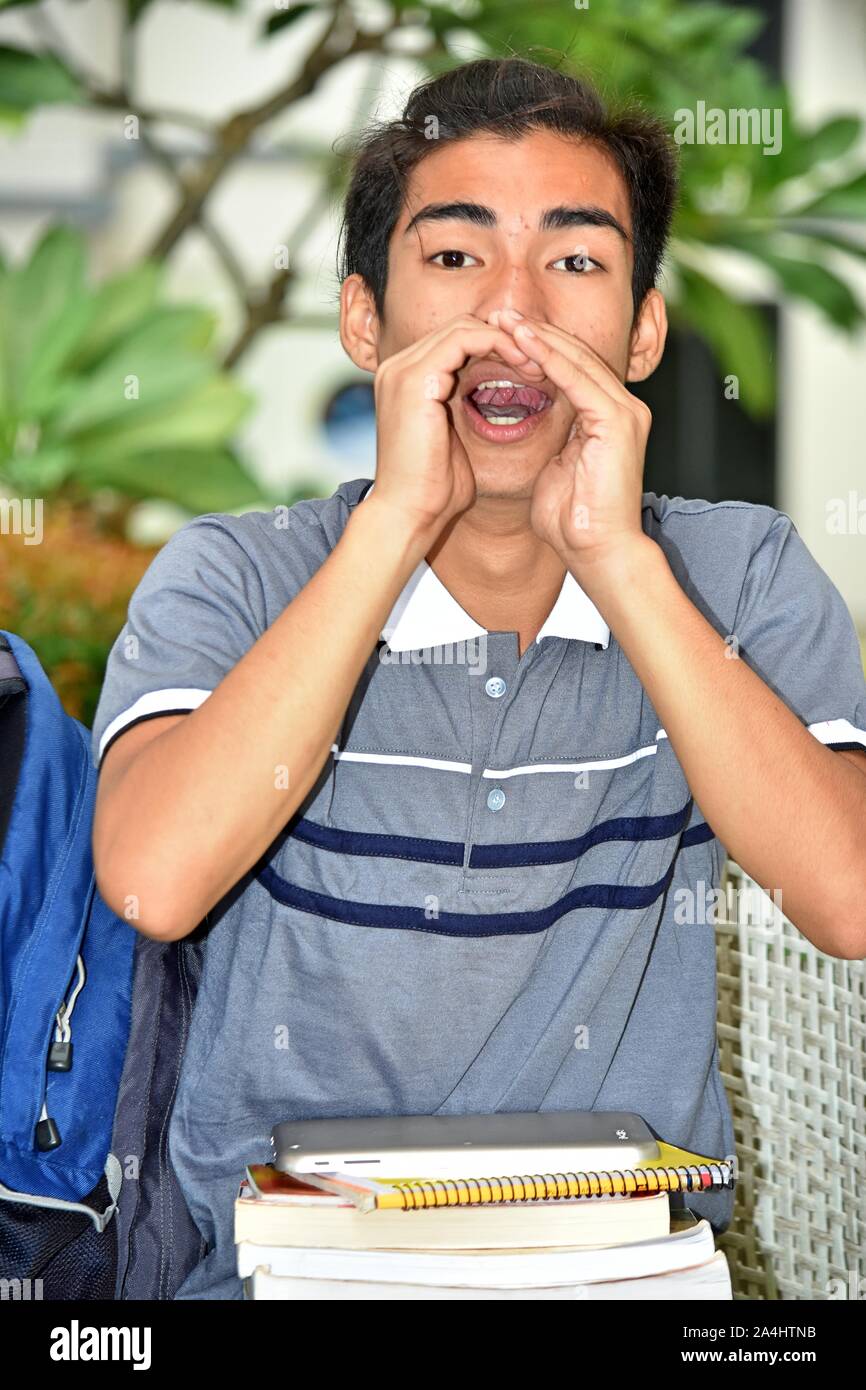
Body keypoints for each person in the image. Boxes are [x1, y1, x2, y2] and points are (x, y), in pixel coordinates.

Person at [91, 57, 866, 1300]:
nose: (514, 317)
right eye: (454, 260)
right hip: (285, 1274)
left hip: (632, 1272)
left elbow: (847, 897)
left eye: (574, 263)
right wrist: (395, 518)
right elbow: (152, 879)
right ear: (363, 321)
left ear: (642, 329)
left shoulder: (734, 570)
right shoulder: (235, 576)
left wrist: (615, 559)